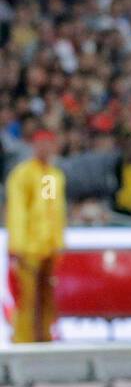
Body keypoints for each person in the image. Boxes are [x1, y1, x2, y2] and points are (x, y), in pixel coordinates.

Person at [5, 128, 65, 343]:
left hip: (46, 247)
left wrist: (56, 242)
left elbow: (51, 211)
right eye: (41, 144)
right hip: (27, 248)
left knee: (46, 297)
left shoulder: (50, 176)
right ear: (34, 146)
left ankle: (43, 338)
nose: (45, 148)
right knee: (26, 298)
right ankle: (22, 340)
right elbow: (17, 211)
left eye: (49, 144)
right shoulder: (23, 174)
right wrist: (17, 245)